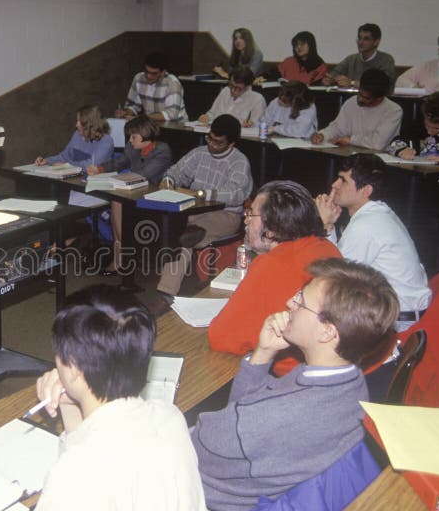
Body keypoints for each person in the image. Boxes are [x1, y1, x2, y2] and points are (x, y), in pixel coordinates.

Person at [192, 258, 399, 511]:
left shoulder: (277, 416)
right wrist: (263, 354)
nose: (290, 301)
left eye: (301, 301)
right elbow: (241, 416)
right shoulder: (350, 382)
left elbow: (200, 445)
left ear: (327, 332)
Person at [34, 285, 207, 511]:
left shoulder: (74, 473)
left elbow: (82, 471)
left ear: (74, 366)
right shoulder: (170, 417)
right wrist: (70, 406)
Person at [314, 154, 432, 399]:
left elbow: (332, 280)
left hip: (396, 323)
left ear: (365, 190)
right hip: (403, 311)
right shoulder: (375, 215)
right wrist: (328, 228)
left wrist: (323, 225)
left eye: (343, 181)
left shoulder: (367, 225)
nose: (334, 185)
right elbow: (341, 263)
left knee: (314, 322)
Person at [207, 180, 341, 366]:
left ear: (271, 231)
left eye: (251, 214)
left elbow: (221, 338)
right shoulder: (325, 247)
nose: (246, 221)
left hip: (297, 379)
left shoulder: (273, 264)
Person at [154, 115, 253, 304]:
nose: (212, 145)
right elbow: (175, 171)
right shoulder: (199, 153)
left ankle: (166, 293)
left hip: (225, 215)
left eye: (219, 142)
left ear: (231, 143)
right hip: (194, 211)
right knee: (182, 232)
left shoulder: (239, 162)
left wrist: (201, 193)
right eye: (210, 138)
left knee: (183, 236)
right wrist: (169, 181)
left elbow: (235, 194)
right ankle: (194, 236)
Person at [87, 115, 172, 274]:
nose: (130, 140)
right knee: (117, 200)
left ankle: (122, 254)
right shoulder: (133, 147)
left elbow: (145, 174)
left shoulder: (162, 150)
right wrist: (99, 169)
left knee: (118, 201)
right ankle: (121, 253)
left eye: (134, 137)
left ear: (146, 134)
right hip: (134, 192)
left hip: (155, 197)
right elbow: (119, 162)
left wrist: (120, 179)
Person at [311, 68, 402, 151]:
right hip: (350, 154)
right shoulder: (352, 102)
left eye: (366, 98)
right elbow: (338, 128)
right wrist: (322, 135)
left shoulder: (393, 110)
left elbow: (377, 144)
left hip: (379, 161)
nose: (360, 99)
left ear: (379, 98)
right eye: (359, 93)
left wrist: (350, 139)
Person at [36, 105, 114, 171]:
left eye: (79, 121)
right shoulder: (77, 135)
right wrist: (47, 161)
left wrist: (67, 166)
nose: (76, 125)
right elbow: (64, 156)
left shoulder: (106, 141)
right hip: (74, 182)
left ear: (89, 124)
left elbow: (91, 166)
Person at [116, 52, 188, 123]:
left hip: (176, 127)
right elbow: (133, 106)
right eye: (146, 71)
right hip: (151, 125)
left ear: (163, 72)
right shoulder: (139, 78)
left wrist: (141, 118)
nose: (148, 76)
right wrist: (125, 112)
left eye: (154, 73)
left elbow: (171, 114)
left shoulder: (172, 82)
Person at [322, 23, 396, 88]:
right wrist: (329, 80)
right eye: (359, 38)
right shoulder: (351, 59)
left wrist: (352, 83)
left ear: (376, 42)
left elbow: (383, 85)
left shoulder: (386, 60)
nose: (360, 42)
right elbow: (334, 74)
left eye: (366, 39)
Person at [198, 66, 266, 127]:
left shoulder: (257, 99)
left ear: (247, 86)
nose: (233, 90)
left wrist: (250, 125)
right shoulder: (225, 91)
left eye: (238, 88)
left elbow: (257, 126)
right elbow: (212, 113)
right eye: (231, 85)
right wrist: (206, 117)